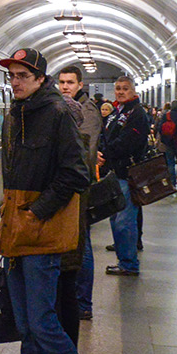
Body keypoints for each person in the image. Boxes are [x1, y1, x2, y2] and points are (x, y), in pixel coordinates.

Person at [0, 47, 107, 354]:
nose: (16, 81)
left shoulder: (57, 114)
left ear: (41, 78)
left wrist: (37, 212)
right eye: (12, 75)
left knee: (43, 322)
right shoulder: (16, 114)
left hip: (42, 232)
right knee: (26, 325)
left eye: (23, 75)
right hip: (18, 231)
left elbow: (75, 174)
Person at [57, 65, 102, 320]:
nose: (65, 87)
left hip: (80, 186)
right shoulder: (65, 108)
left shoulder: (87, 111)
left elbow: (84, 150)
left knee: (82, 245)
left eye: (70, 83)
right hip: (74, 184)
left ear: (80, 85)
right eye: (62, 82)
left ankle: (84, 302)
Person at [97, 75, 150, 276]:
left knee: (124, 221)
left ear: (134, 91)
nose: (120, 91)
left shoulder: (137, 114)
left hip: (127, 173)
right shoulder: (117, 112)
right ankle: (123, 258)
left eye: (125, 88)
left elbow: (128, 142)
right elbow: (107, 135)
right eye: (118, 88)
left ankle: (129, 263)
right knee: (115, 218)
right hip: (114, 172)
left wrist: (105, 154)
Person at [157, 100, 177, 186]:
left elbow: (160, 128)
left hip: (169, 142)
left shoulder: (166, 115)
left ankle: (172, 182)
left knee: (170, 162)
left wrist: (164, 139)